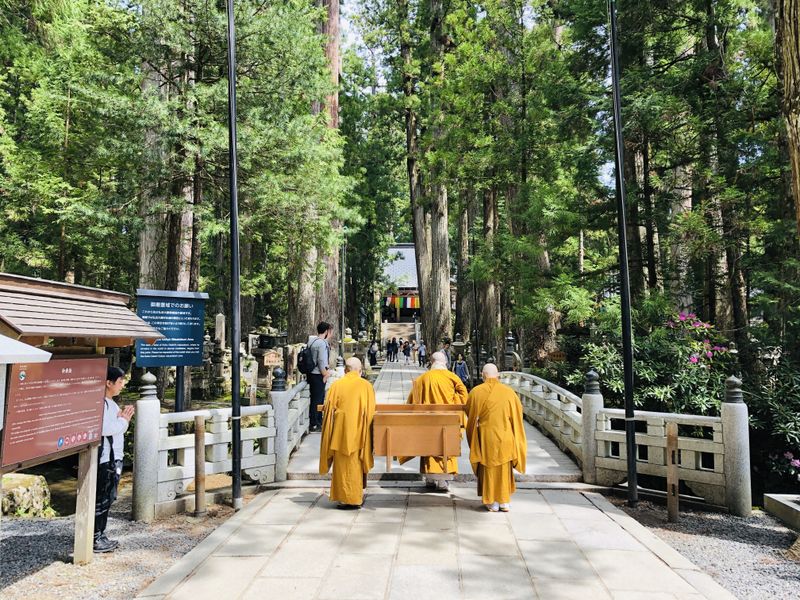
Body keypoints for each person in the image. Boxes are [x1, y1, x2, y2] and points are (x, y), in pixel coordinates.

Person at [400, 351, 468, 490]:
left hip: (428, 424)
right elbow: (464, 397)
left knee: (428, 445)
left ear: (432, 362)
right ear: (445, 363)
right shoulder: (452, 377)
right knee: (446, 446)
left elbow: (412, 402)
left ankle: (430, 478)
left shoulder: (422, 379)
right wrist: (453, 401)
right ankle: (443, 481)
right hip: (448, 422)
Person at [465, 363, 527, 512]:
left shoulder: (476, 392)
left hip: (486, 437)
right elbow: (518, 414)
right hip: (506, 436)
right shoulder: (509, 392)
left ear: (483, 375)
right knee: (504, 468)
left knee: (489, 468)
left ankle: (492, 501)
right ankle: (504, 501)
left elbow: (469, 412)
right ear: (498, 376)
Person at [319, 357, 376, 509]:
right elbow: (371, 413)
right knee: (356, 465)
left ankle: (344, 499)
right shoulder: (366, 386)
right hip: (359, 434)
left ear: (345, 370)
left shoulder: (336, 385)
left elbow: (329, 412)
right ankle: (355, 497)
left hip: (341, 434)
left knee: (342, 466)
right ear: (360, 371)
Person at [94, 366, 134, 553]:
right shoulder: (101, 404)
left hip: (113, 458)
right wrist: (124, 420)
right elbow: (105, 429)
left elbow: (115, 427)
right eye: (119, 381)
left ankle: (100, 534)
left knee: (108, 497)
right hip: (106, 459)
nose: (122, 385)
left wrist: (122, 419)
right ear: (108, 383)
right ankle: (95, 538)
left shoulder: (111, 404)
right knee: (102, 498)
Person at [307, 321, 333, 432]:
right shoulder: (322, 343)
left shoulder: (312, 341)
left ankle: (316, 421)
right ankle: (315, 423)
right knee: (318, 399)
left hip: (311, 373)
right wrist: (325, 374)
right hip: (318, 374)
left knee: (315, 398)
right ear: (326, 331)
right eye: (330, 331)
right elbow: (321, 361)